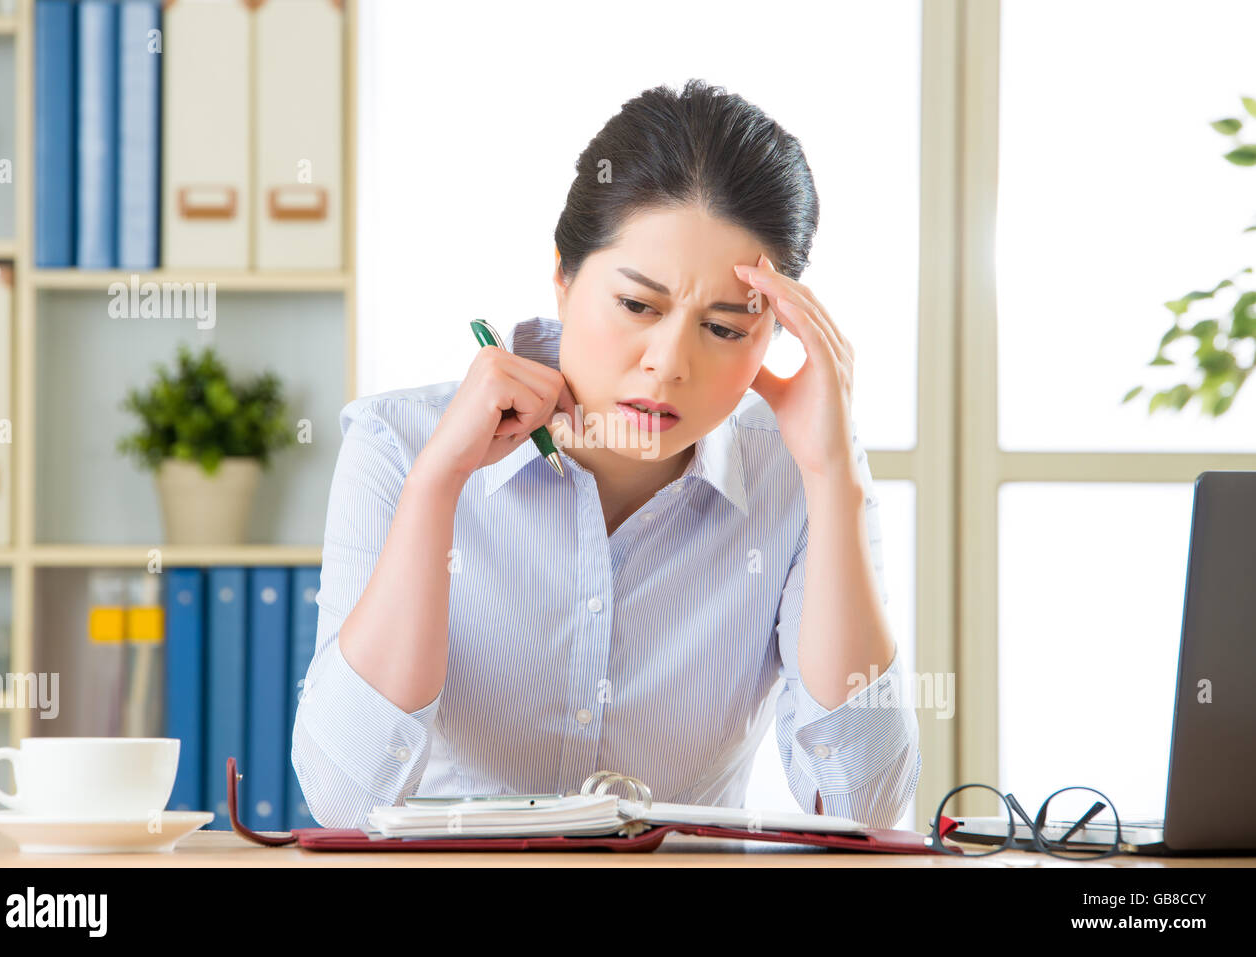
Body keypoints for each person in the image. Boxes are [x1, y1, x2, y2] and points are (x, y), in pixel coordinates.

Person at [292, 79, 920, 831]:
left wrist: (832, 476)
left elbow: (867, 805)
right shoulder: (398, 444)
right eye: (637, 306)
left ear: (775, 334)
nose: (668, 362)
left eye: (723, 328)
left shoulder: (804, 475)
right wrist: (437, 487)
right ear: (562, 276)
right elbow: (344, 797)